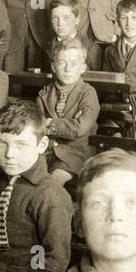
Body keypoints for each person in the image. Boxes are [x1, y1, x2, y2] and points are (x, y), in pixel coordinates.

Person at [0, 102, 73, 272]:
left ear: (41, 145)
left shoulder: (49, 195)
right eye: (1, 143)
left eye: (21, 145)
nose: (9, 154)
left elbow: (53, 260)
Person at [37, 37, 99, 184]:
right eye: (62, 63)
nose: (68, 68)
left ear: (83, 68)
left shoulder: (88, 93)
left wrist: (50, 123)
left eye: (74, 64)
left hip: (76, 154)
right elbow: (38, 126)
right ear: (53, 67)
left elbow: (79, 128)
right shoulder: (44, 93)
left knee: (53, 181)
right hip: (47, 151)